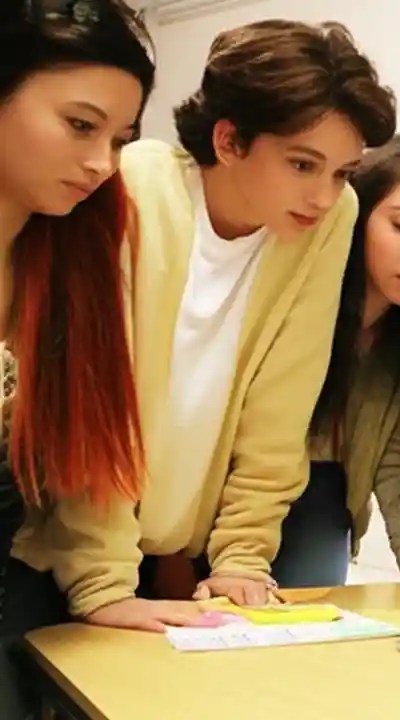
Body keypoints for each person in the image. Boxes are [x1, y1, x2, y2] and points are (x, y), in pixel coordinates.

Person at [10, 19, 396, 634]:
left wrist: (242, 555)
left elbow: (282, 404)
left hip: (169, 546)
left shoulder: (329, 221)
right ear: (228, 140)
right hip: (56, 545)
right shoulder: (134, 185)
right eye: (303, 164)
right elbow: (97, 396)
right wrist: (101, 581)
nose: (324, 195)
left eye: (343, 172)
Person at [0, 1, 158, 715]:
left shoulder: (76, 250)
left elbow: (87, 447)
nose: (102, 162)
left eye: (121, 138)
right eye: (80, 125)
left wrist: (105, 592)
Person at [273, 135, 400, 588]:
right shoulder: (295, 309)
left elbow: (395, 462)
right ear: (356, 218)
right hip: (212, 537)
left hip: (318, 536)